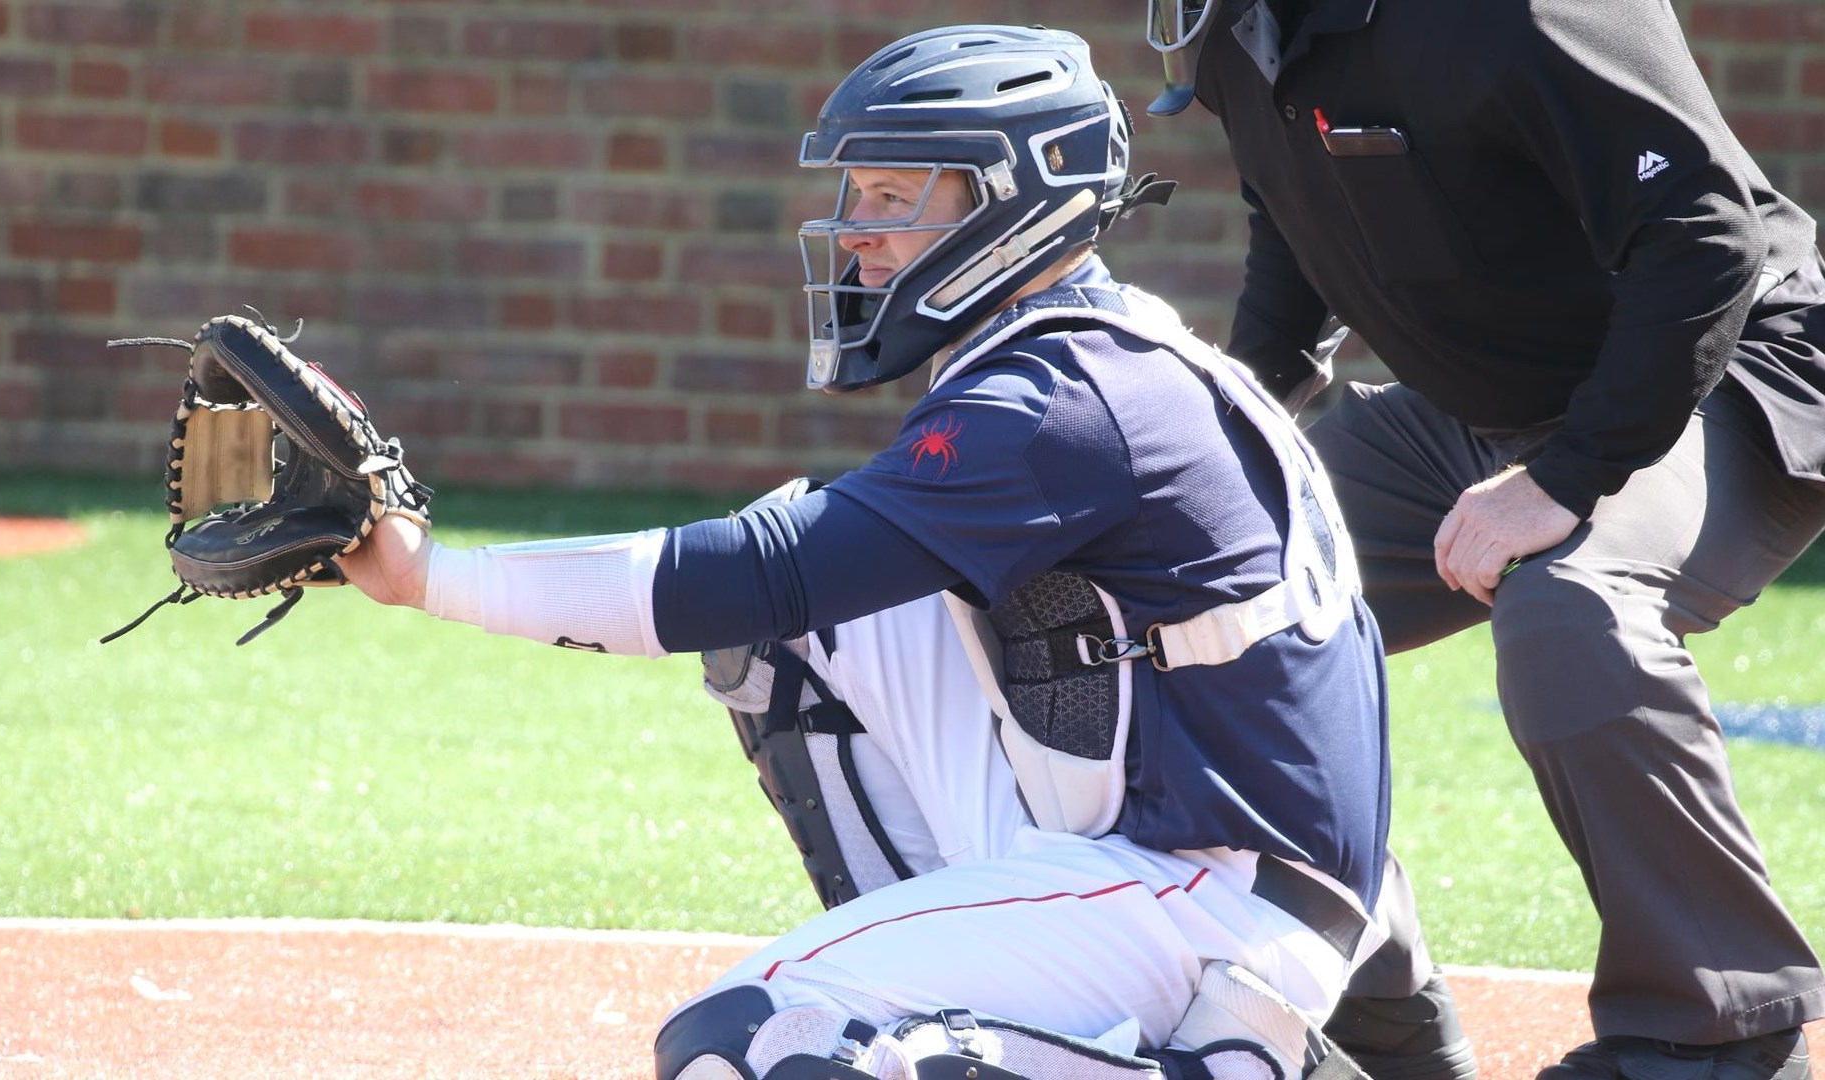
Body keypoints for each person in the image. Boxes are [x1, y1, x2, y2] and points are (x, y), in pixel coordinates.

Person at [341, 23, 1401, 1080]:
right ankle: (978, 998)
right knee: (794, 636)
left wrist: (428, 575)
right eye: (860, 197)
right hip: (1183, 855)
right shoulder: (1075, 352)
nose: (856, 232)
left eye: (895, 198)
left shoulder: (1065, 396)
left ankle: (1220, 1065)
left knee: (757, 1041)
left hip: (1212, 893)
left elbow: (759, 567)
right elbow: (792, 591)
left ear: (1014, 200)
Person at [1140, 1, 1825, 1078]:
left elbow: (1706, 232)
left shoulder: (1517, 9)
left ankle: (1722, 1037)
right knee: (1171, 587)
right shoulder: (1242, 29)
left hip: (1735, 367)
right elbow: (1295, 223)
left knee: (1572, 607)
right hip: (1475, 410)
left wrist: (1564, 478)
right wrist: (1227, 448)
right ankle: (1368, 999)